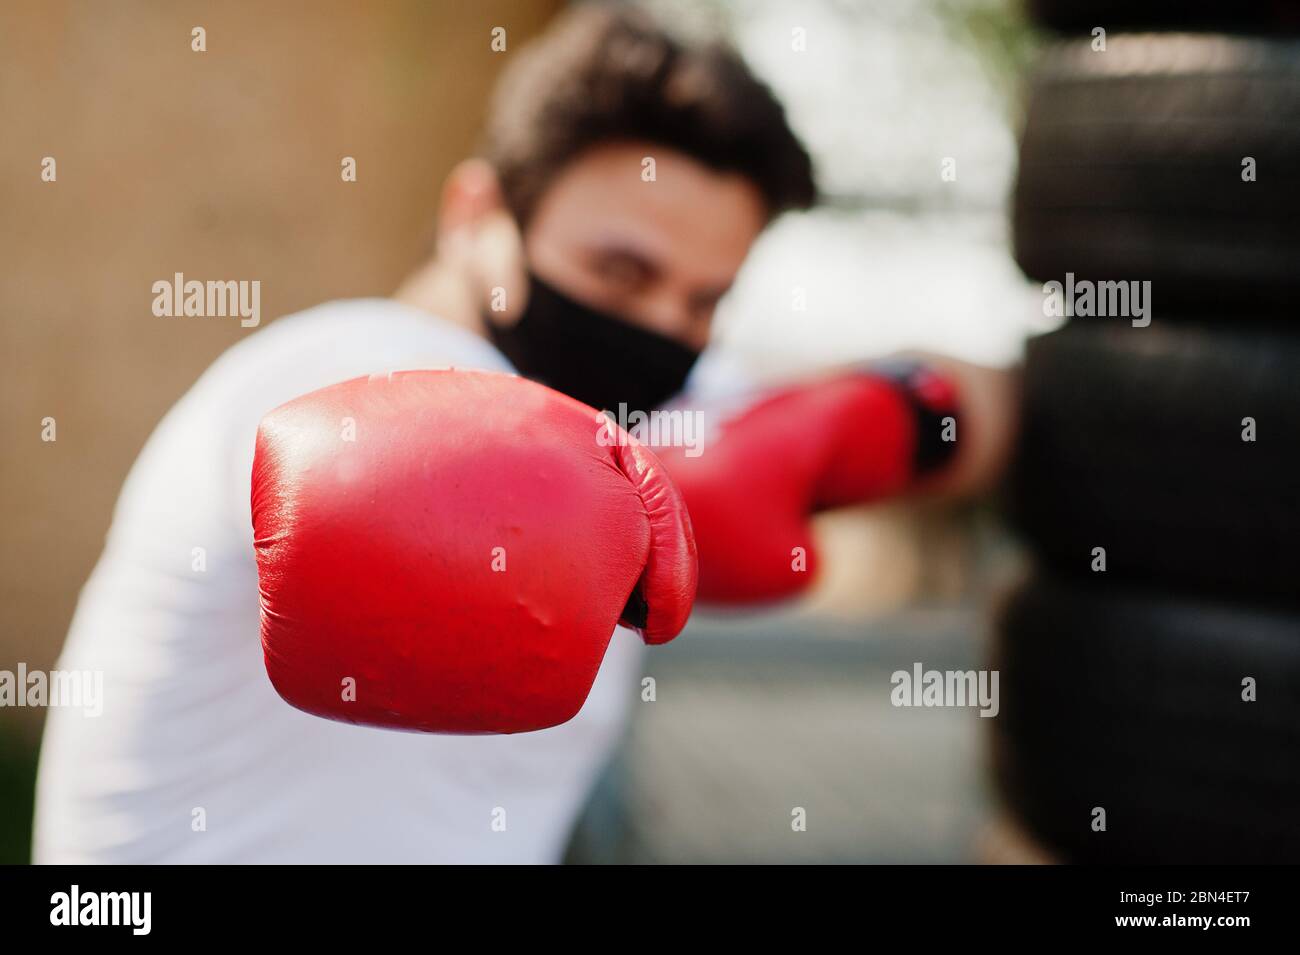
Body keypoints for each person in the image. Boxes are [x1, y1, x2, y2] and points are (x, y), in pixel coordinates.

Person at [33, 4, 1013, 863]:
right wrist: (685, 501)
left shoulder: (620, 422)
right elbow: (457, 473)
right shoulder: (333, 369)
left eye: (706, 298)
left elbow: (992, 405)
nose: (663, 328)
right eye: (620, 275)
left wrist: (891, 416)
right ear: (476, 216)